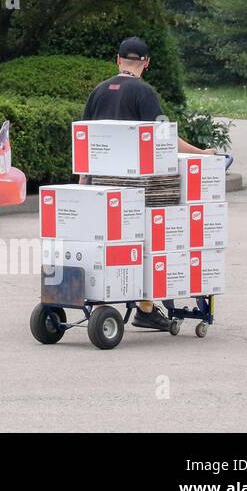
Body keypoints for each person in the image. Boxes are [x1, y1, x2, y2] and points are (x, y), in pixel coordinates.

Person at [82, 36, 219, 331]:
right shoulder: (144, 93)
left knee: (104, 246)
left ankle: (122, 298)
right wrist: (202, 153)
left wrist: (82, 187)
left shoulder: (98, 91)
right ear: (146, 63)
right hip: (135, 190)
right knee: (147, 246)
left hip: (99, 188)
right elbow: (164, 138)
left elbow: (85, 142)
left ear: (117, 59)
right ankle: (145, 308)